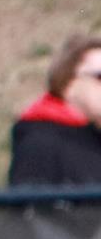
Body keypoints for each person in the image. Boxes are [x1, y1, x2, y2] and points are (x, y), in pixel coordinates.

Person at [10, 33, 101, 186]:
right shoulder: (40, 144)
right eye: (100, 77)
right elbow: (31, 208)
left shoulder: (93, 139)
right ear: (68, 83)